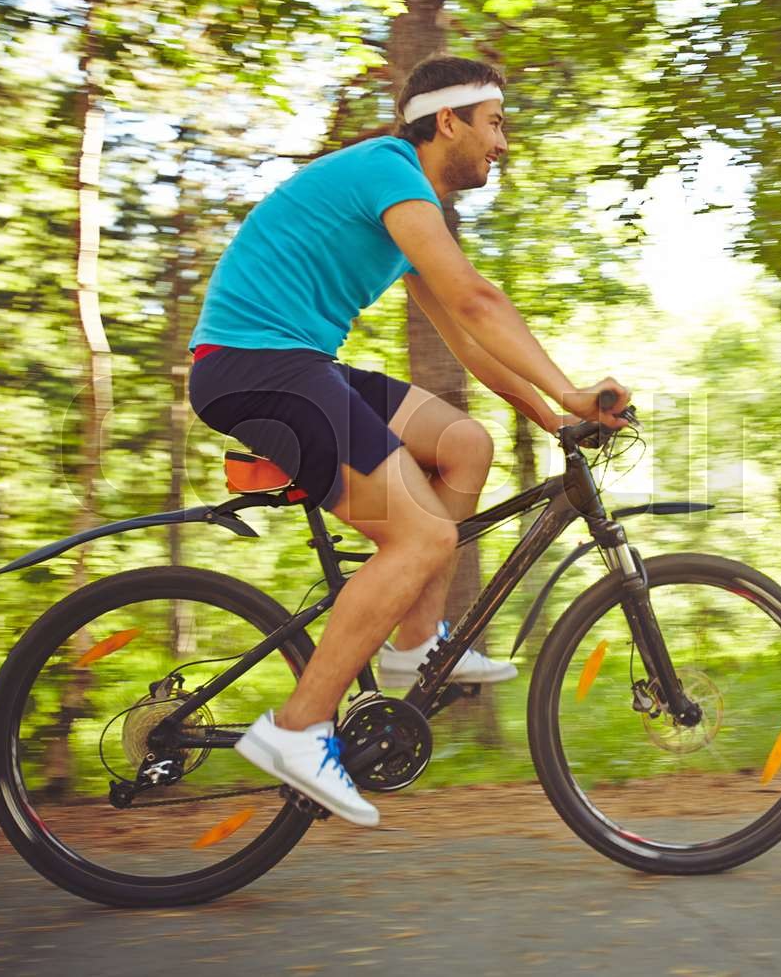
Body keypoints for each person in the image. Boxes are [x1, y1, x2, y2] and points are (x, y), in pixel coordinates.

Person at [186, 55, 632, 826]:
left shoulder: (413, 202)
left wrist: (552, 418)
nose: (503, 143)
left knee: (465, 445)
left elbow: (465, 337)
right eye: (495, 123)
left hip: (293, 361)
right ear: (449, 120)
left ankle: (412, 642)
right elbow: (478, 298)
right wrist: (568, 385)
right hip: (253, 368)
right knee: (421, 538)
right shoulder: (390, 169)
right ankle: (298, 728)